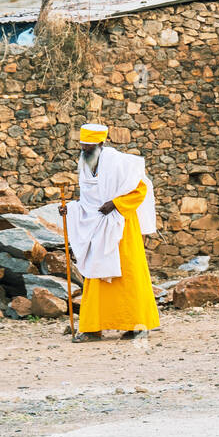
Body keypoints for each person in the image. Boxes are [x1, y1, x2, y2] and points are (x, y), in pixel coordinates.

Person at [59, 123, 160, 342]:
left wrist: (115, 203)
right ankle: (93, 327)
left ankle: (137, 326)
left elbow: (140, 188)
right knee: (96, 275)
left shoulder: (119, 162)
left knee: (128, 273)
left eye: (88, 147)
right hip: (99, 225)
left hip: (122, 224)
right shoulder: (85, 164)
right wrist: (71, 209)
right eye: (82, 146)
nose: (84, 150)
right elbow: (89, 201)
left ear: (101, 144)